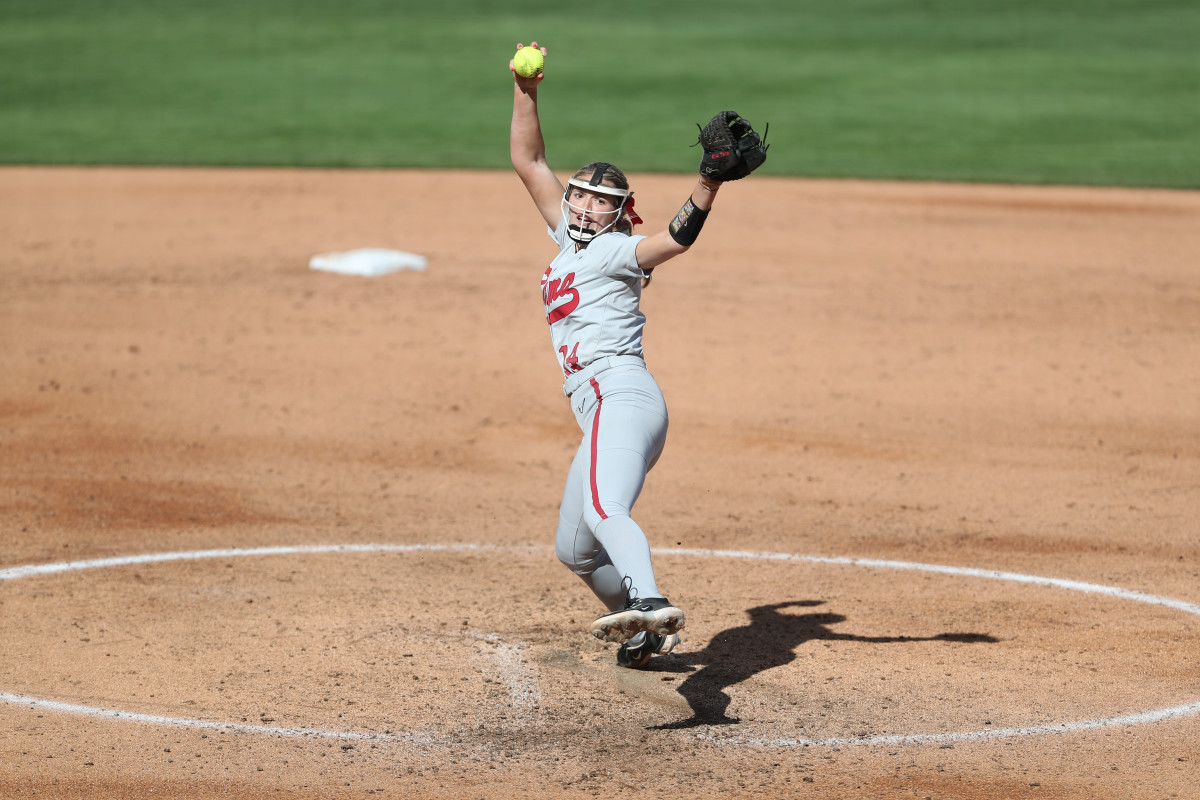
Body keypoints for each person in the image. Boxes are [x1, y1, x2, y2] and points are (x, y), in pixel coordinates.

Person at [508, 42, 766, 669]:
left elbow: (674, 240)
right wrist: (525, 88)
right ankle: (645, 628)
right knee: (576, 550)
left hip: (620, 396)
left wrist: (707, 183)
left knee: (604, 509)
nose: (585, 205)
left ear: (620, 213)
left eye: (602, 201)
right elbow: (528, 159)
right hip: (602, 408)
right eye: (580, 195)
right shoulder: (567, 242)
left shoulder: (617, 250)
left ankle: (650, 601)